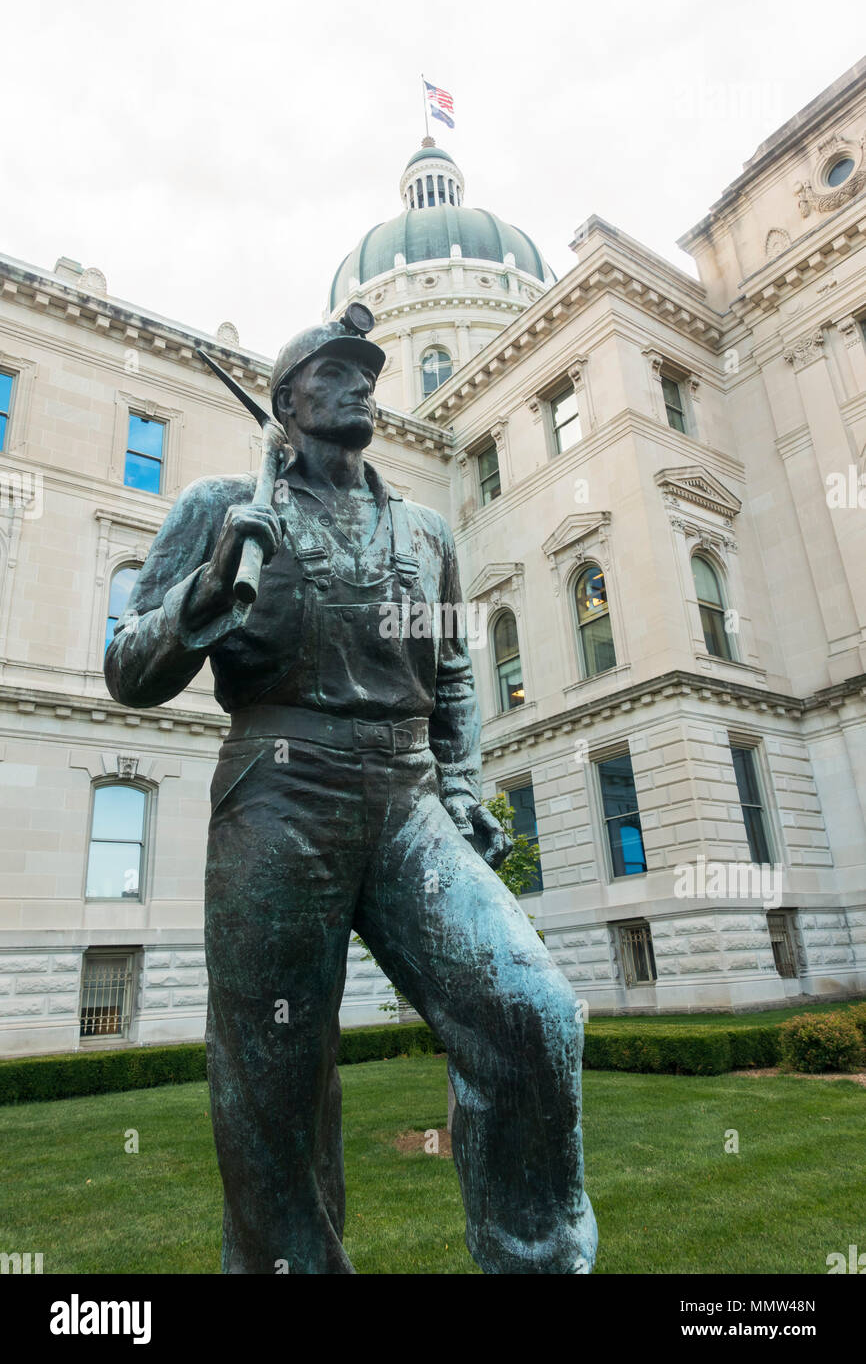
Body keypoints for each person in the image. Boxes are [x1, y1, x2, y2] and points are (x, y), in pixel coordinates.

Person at [105, 310, 597, 1275]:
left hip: (410, 797)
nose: (360, 384)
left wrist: (463, 790)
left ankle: (537, 1261)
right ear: (286, 402)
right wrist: (205, 594)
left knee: (533, 1012)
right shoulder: (219, 505)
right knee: (274, 1079)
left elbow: (453, 673)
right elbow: (129, 667)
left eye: (367, 372)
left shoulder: (426, 531)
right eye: (335, 371)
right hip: (278, 791)